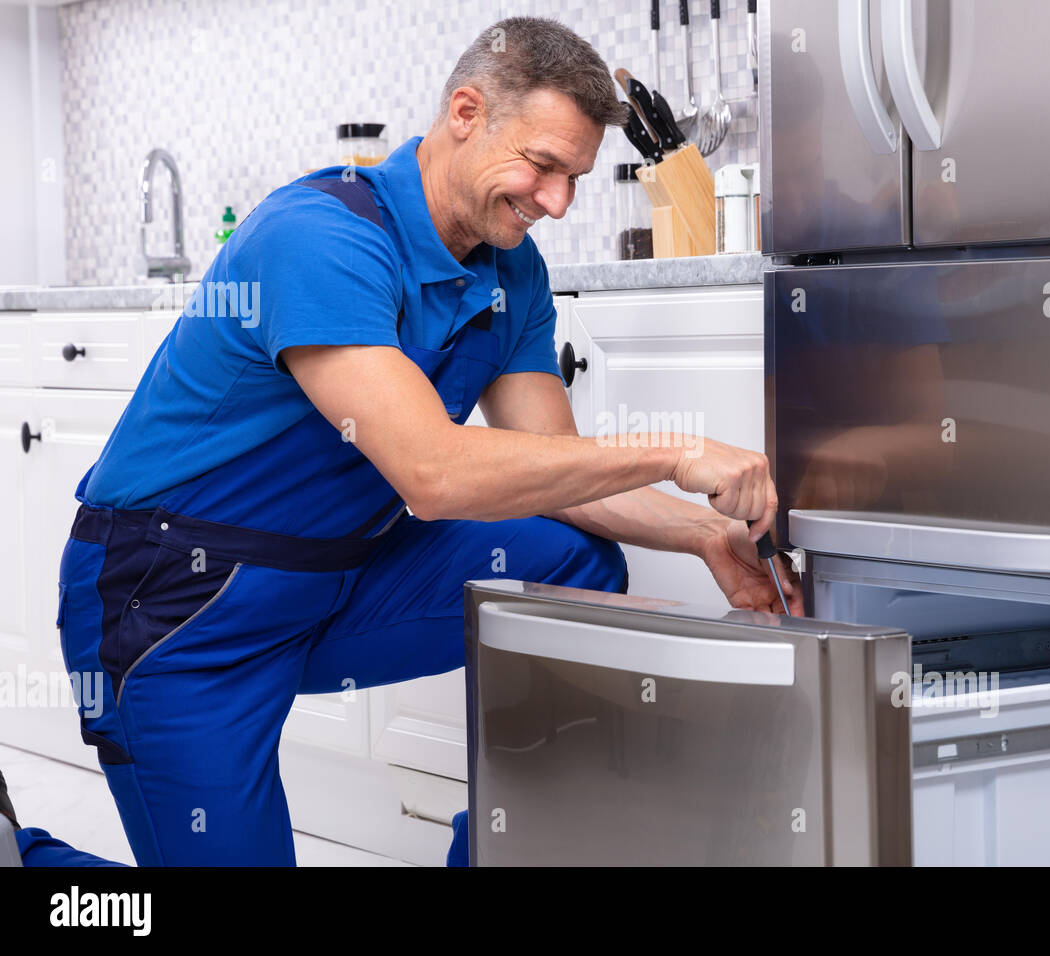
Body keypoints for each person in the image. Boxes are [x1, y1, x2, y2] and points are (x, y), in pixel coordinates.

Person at [52, 16, 799, 868]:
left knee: (569, 562)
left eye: (575, 178)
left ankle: (495, 848)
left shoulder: (509, 268)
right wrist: (674, 453)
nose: (556, 201)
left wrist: (706, 534)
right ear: (466, 112)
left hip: (340, 578)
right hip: (177, 599)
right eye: (543, 166)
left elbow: (557, 473)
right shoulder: (319, 237)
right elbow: (432, 474)